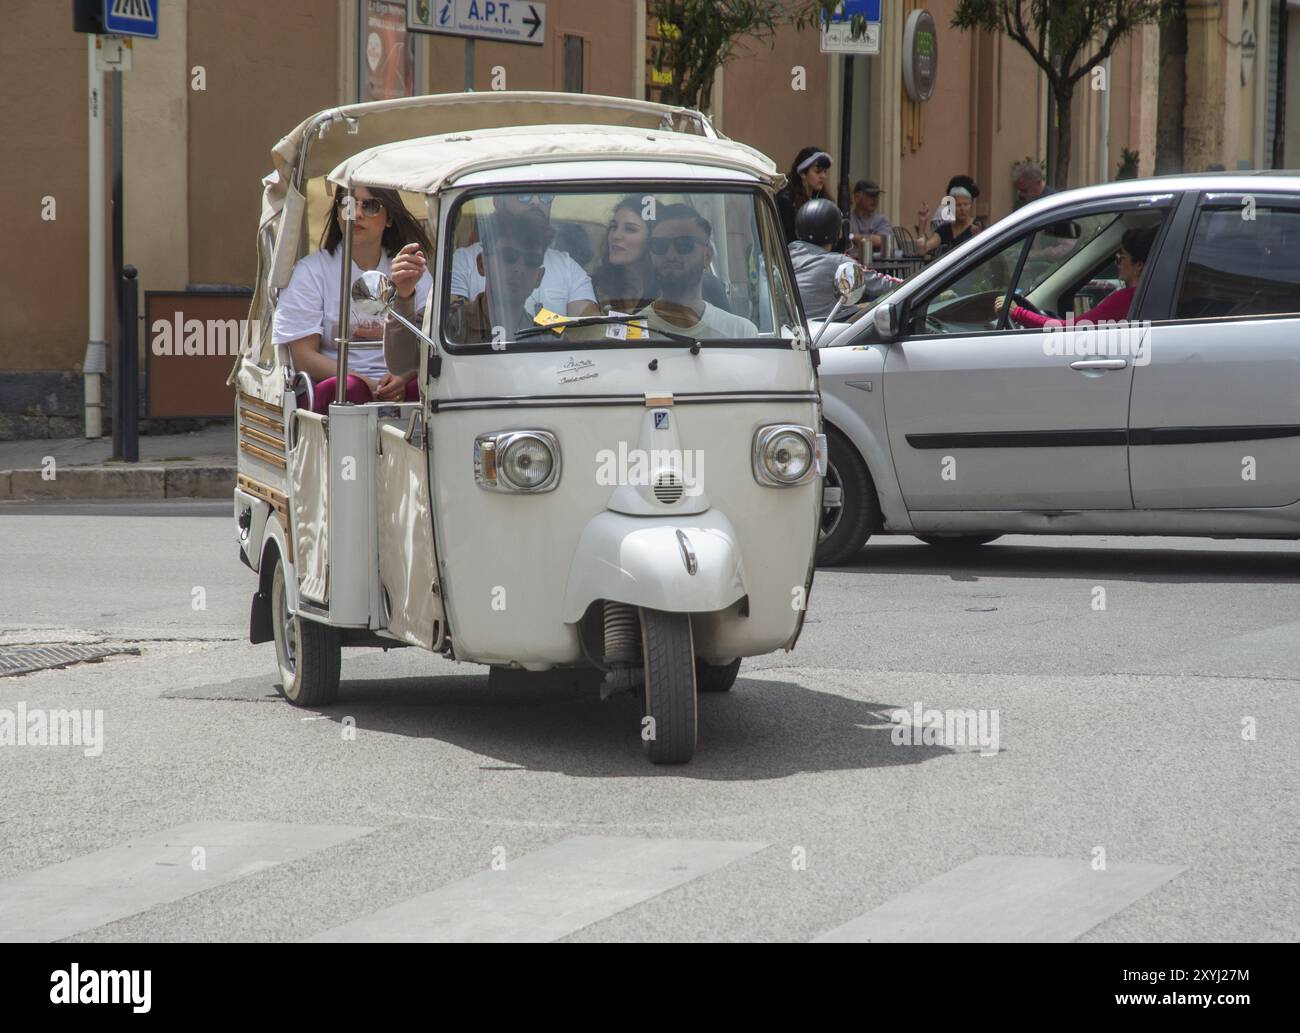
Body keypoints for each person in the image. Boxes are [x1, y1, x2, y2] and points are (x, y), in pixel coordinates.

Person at [273, 184, 433, 414]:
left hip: (399, 378)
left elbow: (428, 344)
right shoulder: (311, 271)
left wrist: (402, 377)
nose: (356, 214)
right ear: (338, 215)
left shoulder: (410, 268)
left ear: (389, 219)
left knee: (425, 386)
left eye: (369, 206)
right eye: (347, 204)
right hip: (339, 385)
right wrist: (360, 379)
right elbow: (303, 356)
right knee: (349, 390)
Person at [450, 192, 598, 318]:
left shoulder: (569, 268)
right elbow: (456, 327)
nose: (535, 202)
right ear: (498, 202)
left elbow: (589, 336)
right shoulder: (463, 261)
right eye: (523, 195)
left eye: (545, 196)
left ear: (540, 275)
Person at [995, 225, 1158, 329]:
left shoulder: (1126, 299)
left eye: (1121, 258)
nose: (1118, 264)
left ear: (1139, 265)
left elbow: (1069, 329)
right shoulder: (1149, 296)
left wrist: (1017, 312)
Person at [635, 204, 758, 339]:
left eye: (684, 244)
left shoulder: (741, 334)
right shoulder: (630, 335)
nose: (670, 254)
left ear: (707, 255)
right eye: (660, 245)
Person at [444, 213, 550, 344]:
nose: (520, 268)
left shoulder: (546, 337)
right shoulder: (450, 328)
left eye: (532, 260)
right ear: (482, 264)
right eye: (508, 256)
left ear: (539, 277)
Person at [789, 198, 901, 319]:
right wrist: (917, 282)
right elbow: (881, 283)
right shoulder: (836, 262)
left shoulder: (787, 254)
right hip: (820, 332)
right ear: (837, 232)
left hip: (790, 329)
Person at [592, 195, 655, 313]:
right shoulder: (593, 287)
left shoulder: (668, 289)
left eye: (630, 229)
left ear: (652, 239)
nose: (615, 235)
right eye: (613, 227)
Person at [775, 146, 833, 245]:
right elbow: (787, 240)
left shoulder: (823, 199)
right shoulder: (786, 201)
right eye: (817, 171)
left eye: (825, 171)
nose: (823, 176)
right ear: (803, 173)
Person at [916, 186, 981, 255]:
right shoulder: (945, 229)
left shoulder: (977, 226)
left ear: (970, 206)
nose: (962, 208)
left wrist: (977, 237)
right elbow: (922, 251)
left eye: (966, 204)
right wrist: (922, 223)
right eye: (958, 205)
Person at [847, 180, 892, 262]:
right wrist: (869, 239)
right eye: (870, 196)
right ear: (857, 197)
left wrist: (852, 236)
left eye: (877, 196)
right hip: (850, 263)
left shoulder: (881, 220)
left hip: (876, 266)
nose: (875, 200)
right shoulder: (847, 217)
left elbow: (881, 241)